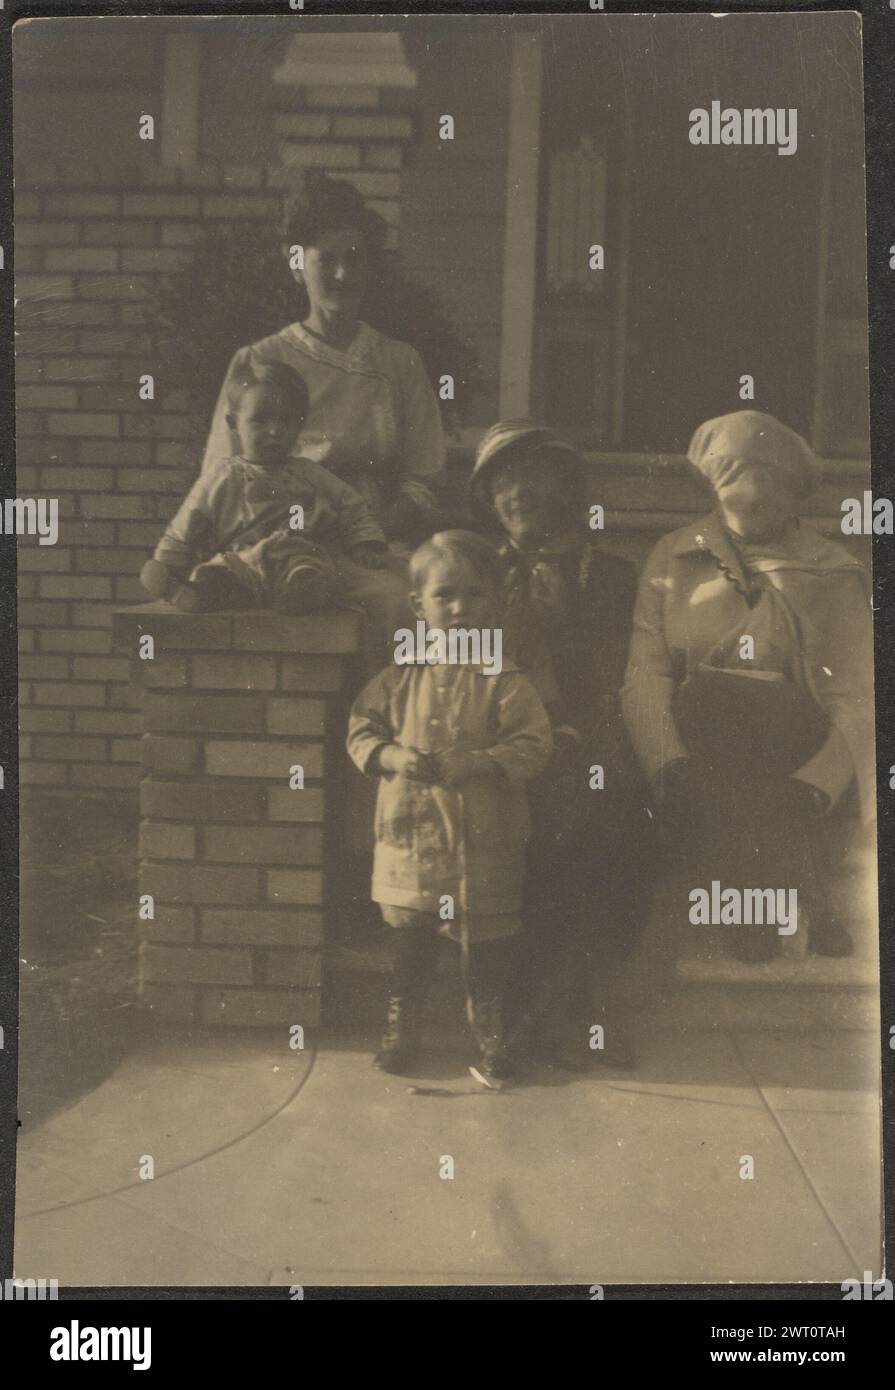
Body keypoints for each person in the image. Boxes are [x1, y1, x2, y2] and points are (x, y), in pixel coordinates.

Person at [622, 409, 875, 963]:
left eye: (770, 484)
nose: (753, 498)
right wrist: (667, 761)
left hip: (793, 743)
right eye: (736, 483)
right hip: (701, 739)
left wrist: (816, 783)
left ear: (794, 492)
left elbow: (856, 695)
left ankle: (747, 903)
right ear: (714, 488)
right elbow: (647, 673)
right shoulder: (674, 557)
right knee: (715, 703)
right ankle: (801, 889)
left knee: (743, 714)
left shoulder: (830, 569)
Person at [468, 420, 654, 1070]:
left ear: (565, 490)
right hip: (500, 742)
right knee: (554, 823)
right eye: (499, 485)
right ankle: (542, 1013)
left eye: (527, 478)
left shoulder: (611, 576)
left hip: (591, 743)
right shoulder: (482, 575)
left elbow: (621, 677)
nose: (512, 494)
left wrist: (583, 740)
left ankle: (566, 1008)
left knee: (608, 820)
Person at [346, 530, 553, 1085]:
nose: (461, 608)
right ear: (420, 605)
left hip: (482, 837)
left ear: (495, 602)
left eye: (475, 595)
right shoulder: (398, 677)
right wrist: (392, 755)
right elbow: (360, 731)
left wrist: (483, 762)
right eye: (446, 595)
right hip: (411, 836)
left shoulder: (505, 680)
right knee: (410, 938)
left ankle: (490, 1030)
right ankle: (403, 1024)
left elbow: (535, 743)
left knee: (485, 945)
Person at [200, 172, 445, 547]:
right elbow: (222, 476)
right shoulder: (259, 361)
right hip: (274, 539)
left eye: (354, 259)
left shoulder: (399, 363)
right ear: (297, 264)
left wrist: (371, 532)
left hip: (375, 538)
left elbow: (423, 476)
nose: (342, 274)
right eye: (326, 260)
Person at [140, 360, 389, 615]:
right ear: (234, 422)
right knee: (215, 575)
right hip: (242, 561)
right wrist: (168, 562)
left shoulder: (310, 473)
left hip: (296, 556)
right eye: (259, 420)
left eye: (286, 421)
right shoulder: (222, 477)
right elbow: (189, 520)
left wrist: (366, 542)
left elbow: (351, 505)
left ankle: (302, 597)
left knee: (310, 573)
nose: (274, 431)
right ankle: (191, 594)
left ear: (300, 424)